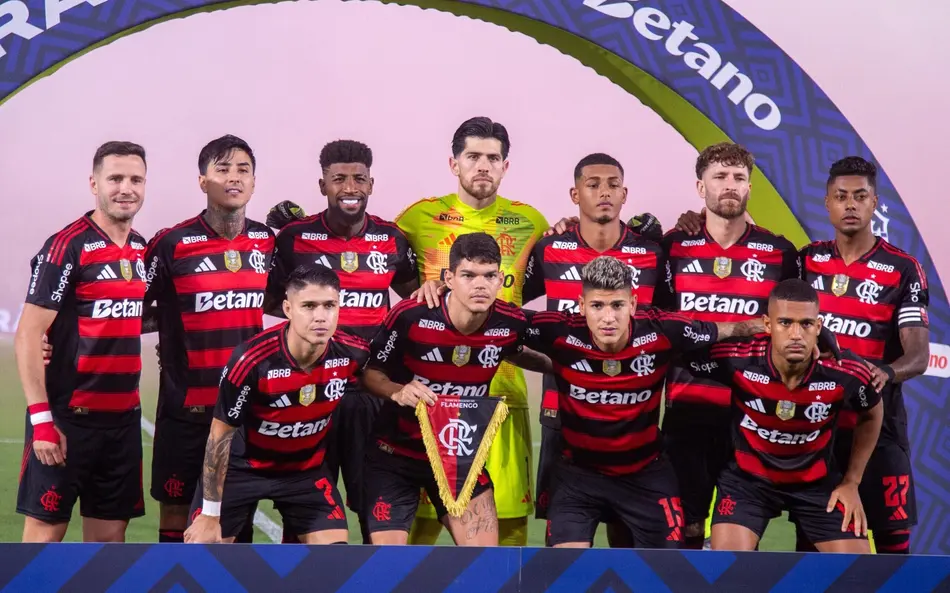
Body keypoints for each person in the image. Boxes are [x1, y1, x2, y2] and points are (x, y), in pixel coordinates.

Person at [525, 256, 788, 548]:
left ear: (633, 304)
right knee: (565, 571)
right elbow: (500, 325)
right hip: (577, 477)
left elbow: (731, 329)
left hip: (646, 475)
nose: (608, 318)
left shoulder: (664, 330)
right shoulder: (558, 330)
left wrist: (794, 333)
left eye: (618, 305)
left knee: (666, 570)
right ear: (581, 305)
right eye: (597, 306)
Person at [394, 117, 549, 546]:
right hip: (432, 402)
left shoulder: (530, 222)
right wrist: (417, 292)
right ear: (453, 162)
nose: (483, 165)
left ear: (505, 166)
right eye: (473, 156)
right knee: (420, 527)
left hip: (501, 394)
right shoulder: (418, 217)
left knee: (508, 524)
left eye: (492, 158)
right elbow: (379, 265)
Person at [264, 139, 419, 543]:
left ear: (371, 184)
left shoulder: (392, 239)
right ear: (322, 185)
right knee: (305, 512)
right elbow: (268, 300)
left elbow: (414, 296)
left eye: (358, 179)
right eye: (339, 179)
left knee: (375, 511)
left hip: (370, 394)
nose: (350, 187)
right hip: (311, 394)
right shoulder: (293, 239)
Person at [360, 233, 550, 546]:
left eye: (489, 276)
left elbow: (522, 351)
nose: (480, 285)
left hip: (460, 458)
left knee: (485, 562)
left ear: (501, 279)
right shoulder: (411, 315)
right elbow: (370, 372)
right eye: (468, 275)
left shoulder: (509, 323)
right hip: (395, 457)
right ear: (449, 278)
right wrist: (397, 391)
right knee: (387, 563)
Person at [657, 142, 800, 549]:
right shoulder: (673, 248)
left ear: (750, 188)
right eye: (719, 177)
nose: (730, 186)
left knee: (740, 539)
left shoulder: (779, 253)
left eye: (739, 178)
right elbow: (663, 325)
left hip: (750, 415)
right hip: (688, 412)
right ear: (700, 187)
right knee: (684, 531)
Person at [521, 153, 665, 546]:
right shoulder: (549, 249)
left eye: (612, 184)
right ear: (574, 193)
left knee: (626, 536)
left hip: (633, 417)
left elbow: (669, 324)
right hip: (562, 412)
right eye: (593, 184)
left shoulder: (653, 253)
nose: (604, 192)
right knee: (565, 537)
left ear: (625, 194)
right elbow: (511, 301)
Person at [685, 279, 884, 553]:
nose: (795, 335)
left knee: (858, 573)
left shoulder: (846, 370)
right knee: (728, 568)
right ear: (767, 325)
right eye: (785, 323)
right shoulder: (736, 357)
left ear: (818, 327)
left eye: (805, 324)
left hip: (817, 486)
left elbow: (872, 412)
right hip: (747, 483)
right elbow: (680, 348)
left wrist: (852, 482)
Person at [15, 141, 149, 543]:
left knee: (109, 544)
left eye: (136, 179)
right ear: (94, 184)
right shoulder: (66, 246)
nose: (126, 188)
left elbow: (135, 316)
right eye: (115, 178)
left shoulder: (141, 248)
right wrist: (42, 420)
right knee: (44, 539)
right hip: (67, 421)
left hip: (124, 423)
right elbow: (28, 334)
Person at [143, 135, 273, 543]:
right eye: (222, 169)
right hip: (185, 408)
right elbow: (134, 309)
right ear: (203, 181)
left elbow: (295, 301)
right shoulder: (171, 243)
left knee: (232, 523)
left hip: (242, 410)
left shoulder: (268, 242)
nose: (233, 178)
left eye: (243, 170)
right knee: (176, 518)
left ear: (254, 181)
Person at [798, 157, 930, 554]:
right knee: (815, 546)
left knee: (893, 545)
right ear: (827, 203)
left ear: (875, 203)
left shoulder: (903, 268)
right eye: (841, 197)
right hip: (817, 428)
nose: (850, 204)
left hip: (880, 428)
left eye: (860, 196)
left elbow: (919, 355)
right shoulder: (805, 261)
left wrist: (885, 373)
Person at [184, 266, 370, 544]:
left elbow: (380, 376)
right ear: (287, 308)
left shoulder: (354, 352)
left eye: (329, 306)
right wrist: (211, 514)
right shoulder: (251, 361)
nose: (320, 317)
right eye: (308, 306)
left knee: (335, 564)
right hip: (243, 470)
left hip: (305, 473)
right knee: (204, 554)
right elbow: (220, 436)